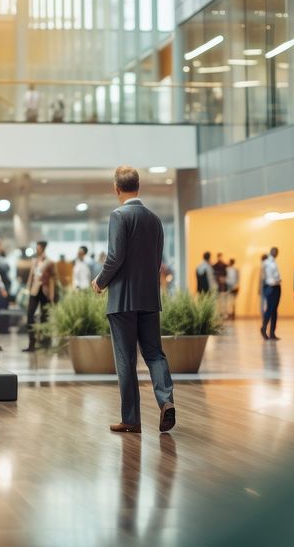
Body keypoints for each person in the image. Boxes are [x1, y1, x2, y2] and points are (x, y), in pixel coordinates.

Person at [93, 166, 175, 434]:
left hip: (122, 302)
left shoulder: (119, 216)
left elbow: (115, 258)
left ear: (116, 189)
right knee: (155, 354)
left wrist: (99, 281)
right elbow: (156, 263)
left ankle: (131, 419)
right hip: (149, 299)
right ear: (138, 186)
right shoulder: (155, 220)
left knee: (126, 359)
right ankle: (166, 401)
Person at [23, 241, 55, 352]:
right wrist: (27, 289)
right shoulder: (34, 261)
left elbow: (52, 279)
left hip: (45, 291)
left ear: (43, 248)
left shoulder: (49, 262)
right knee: (30, 316)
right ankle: (31, 343)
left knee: (44, 317)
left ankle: (45, 342)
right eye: (37, 247)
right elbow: (31, 277)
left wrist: (52, 295)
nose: (37, 249)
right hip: (34, 290)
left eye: (39, 247)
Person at [261, 247, 282, 340]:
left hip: (276, 287)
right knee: (270, 309)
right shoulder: (266, 262)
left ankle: (272, 333)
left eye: (276, 252)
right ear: (271, 252)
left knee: (274, 311)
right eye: (274, 251)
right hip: (271, 287)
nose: (275, 253)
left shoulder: (273, 262)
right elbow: (263, 276)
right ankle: (264, 328)